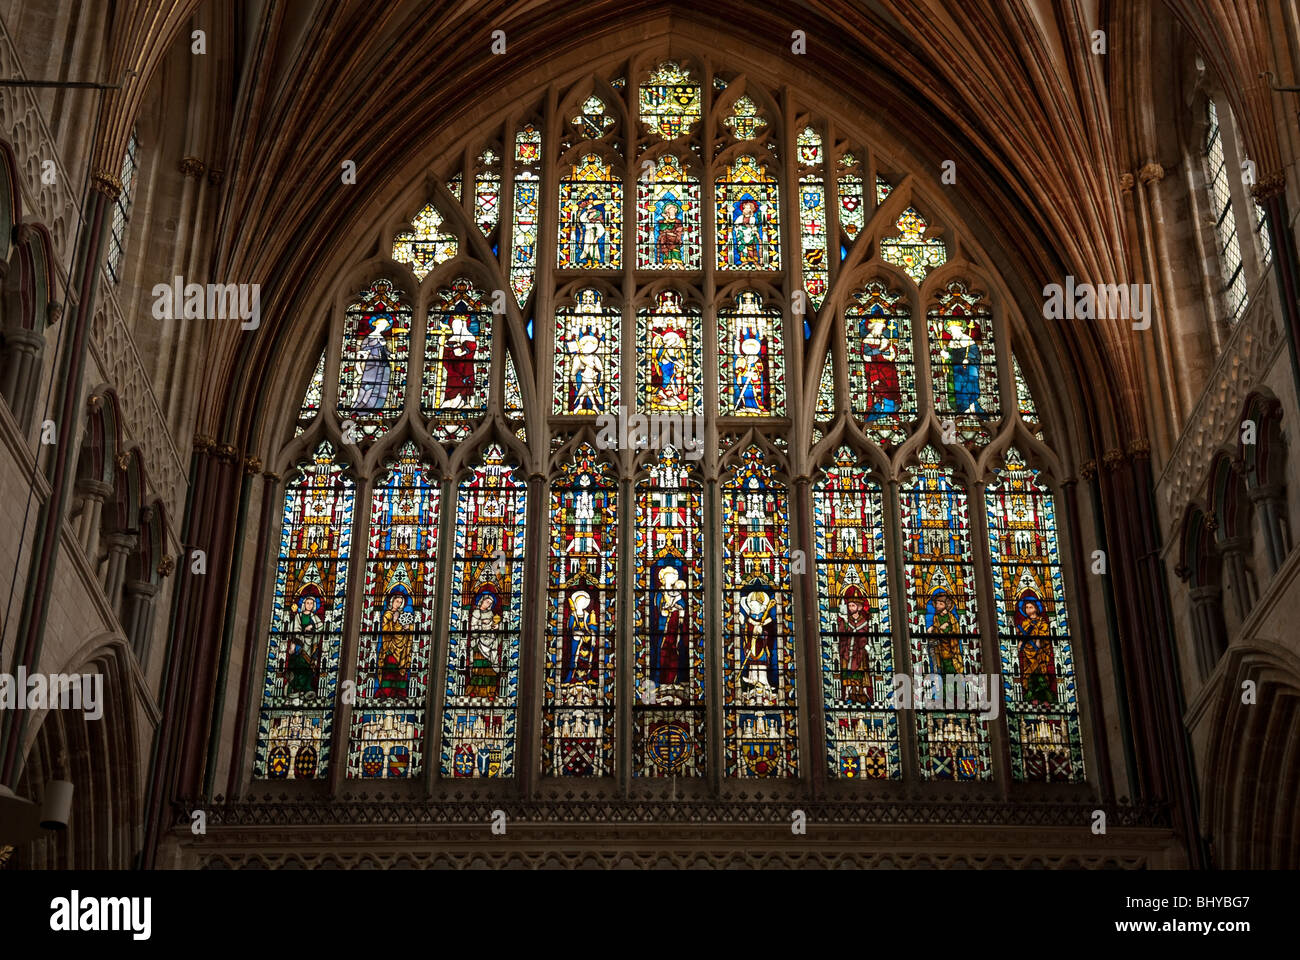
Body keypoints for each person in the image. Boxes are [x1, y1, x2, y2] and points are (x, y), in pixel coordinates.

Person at [837, 585, 873, 704]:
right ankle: (851, 693)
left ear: (859, 607)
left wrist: (866, 645)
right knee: (849, 674)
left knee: (862, 672)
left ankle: (862, 693)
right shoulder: (846, 620)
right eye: (849, 605)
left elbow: (865, 634)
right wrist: (846, 624)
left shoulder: (864, 621)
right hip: (848, 651)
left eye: (853, 605)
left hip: (860, 652)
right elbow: (841, 634)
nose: (850, 608)